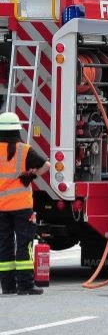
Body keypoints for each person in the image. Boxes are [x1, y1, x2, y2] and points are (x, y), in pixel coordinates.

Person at [0, 112, 49, 295]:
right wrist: (31, 176)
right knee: (24, 244)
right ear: (17, 130)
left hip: (1, 207)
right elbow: (46, 165)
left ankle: (8, 286)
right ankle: (26, 285)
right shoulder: (24, 149)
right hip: (21, 205)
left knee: (4, 245)